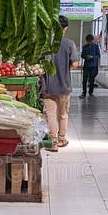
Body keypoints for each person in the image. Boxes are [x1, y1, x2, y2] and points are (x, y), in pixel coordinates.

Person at [41, 15, 79, 152]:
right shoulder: (69, 43)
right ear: (65, 28)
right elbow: (75, 64)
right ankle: (62, 139)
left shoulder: (45, 43)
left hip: (48, 86)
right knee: (63, 114)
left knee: (50, 115)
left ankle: (53, 142)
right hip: (64, 86)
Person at [79, 33, 101, 97]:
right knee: (84, 79)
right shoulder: (84, 47)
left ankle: (91, 92)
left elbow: (98, 55)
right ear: (87, 41)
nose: (90, 42)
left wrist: (93, 57)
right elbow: (82, 55)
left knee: (92, 80)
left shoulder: (96, 47)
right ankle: (84, 92)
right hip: (86, 65)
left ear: (92, 40)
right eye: (89, 41)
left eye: (91, 41)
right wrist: (86, 57)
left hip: (93, 66)